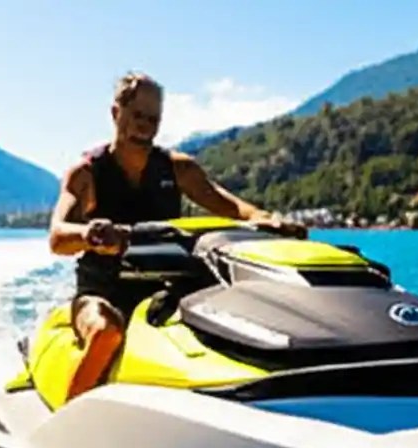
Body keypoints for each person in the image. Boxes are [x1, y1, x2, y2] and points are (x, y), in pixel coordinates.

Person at [48, 71, 305, 400]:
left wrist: (267, 221)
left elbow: (232, 207)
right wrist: (90, 233)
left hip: (164, 294)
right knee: (105, 332)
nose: (144, 126)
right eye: (137, 116)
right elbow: (57, 238)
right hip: (103, 294)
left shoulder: (178, 169)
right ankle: (69, 426)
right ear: (116, 114)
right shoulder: (86, 173)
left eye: (153, 119)